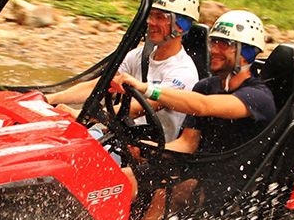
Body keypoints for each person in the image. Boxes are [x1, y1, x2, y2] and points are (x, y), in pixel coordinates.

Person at [45, 0, 201, 140]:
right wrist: (50, 98)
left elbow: (138, 109)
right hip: (118, 137)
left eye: (159, 17)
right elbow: (99, 85)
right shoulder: (139, 55)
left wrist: (83, 114)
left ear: (180, 26)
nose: (151, 23)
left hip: (147, 153)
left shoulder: (183, 73)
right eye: (151, 15)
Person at [110, 9, 276, 155]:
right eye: (214, 43)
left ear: (245, 54)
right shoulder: (205, 86)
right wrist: (151, 149)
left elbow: (203, 106)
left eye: (225, 45)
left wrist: (147, 89)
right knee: (116, 181)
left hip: (233, 181)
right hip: (197, 169)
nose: (215, 50)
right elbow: (187, 144)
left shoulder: (258, 97)